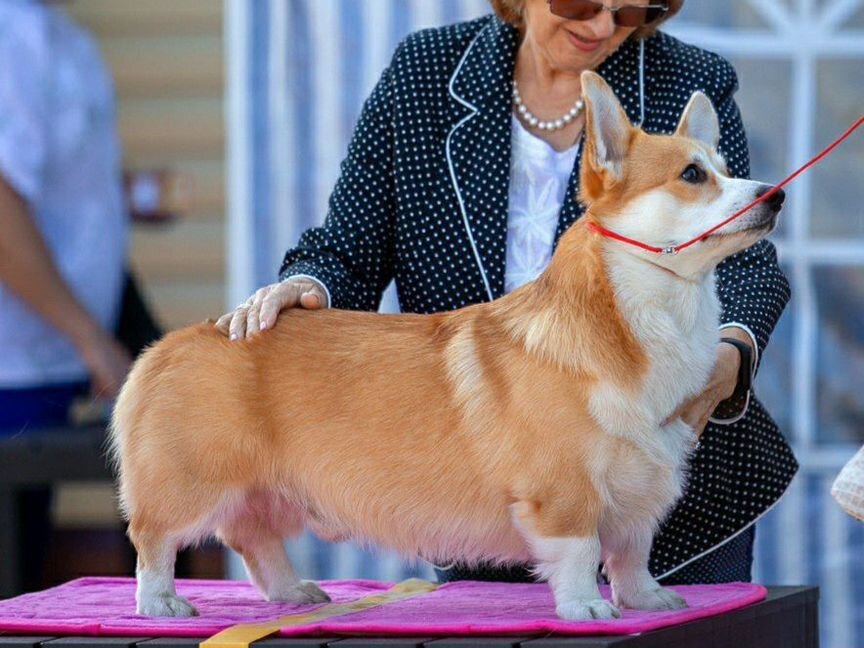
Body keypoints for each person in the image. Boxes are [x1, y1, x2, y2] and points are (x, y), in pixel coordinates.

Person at [217, 0, 799, 585]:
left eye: (628, 11)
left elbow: (744, 255)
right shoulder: (425, 73)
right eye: (581, 2)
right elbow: (350, 245)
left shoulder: (689, 80)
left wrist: (730, 357)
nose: (600, 27)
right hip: (483, 498)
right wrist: (307, 284)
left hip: (674, 514)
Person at [0, 0, 131, 592]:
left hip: (46, 363)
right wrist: (92, 340)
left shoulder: (61, 35)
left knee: (26, 563)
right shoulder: (12, 34)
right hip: (15, 367)